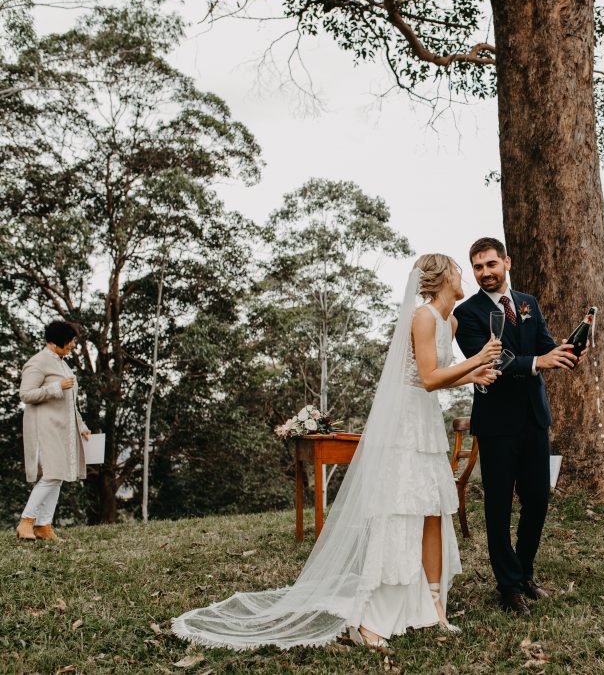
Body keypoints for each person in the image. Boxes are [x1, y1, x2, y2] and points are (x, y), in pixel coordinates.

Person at [172, 254, 502, 650]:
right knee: (402, 512)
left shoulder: (448, 321)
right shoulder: (423, 317)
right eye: (458, 269)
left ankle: (434, 607)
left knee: (433, 511)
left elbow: (437, 380)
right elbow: (428, 378)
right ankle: (373, 618)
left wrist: (471, 373)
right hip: (405, 425)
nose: (463, 275)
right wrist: (478, 359)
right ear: (442, 277)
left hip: (427, 424)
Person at [453, 237, 583, 616]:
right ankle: (507, 587)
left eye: (491, 264)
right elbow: (495, 362)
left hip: (534, 418)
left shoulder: (527, 302)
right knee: (497, 506)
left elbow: (543, 345)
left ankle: (525, 572)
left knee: (537, 500)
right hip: (496, 423)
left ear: (506, 262)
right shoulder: (468, 314)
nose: (485, 273)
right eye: (477, 267)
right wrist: (538, 362)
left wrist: (566, 352)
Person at [17, 320, 91, 541]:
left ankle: (44, 526)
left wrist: (82, 426)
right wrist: (56, 387)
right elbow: (26, 394)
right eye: (70, 342)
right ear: (58, 342)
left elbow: (71, 402)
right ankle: (26, 522)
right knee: (50, 475)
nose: (72, 346)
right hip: (44, 428)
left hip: (62, 429)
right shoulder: (37, 363)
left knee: (58, 475)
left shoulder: (62, 364)